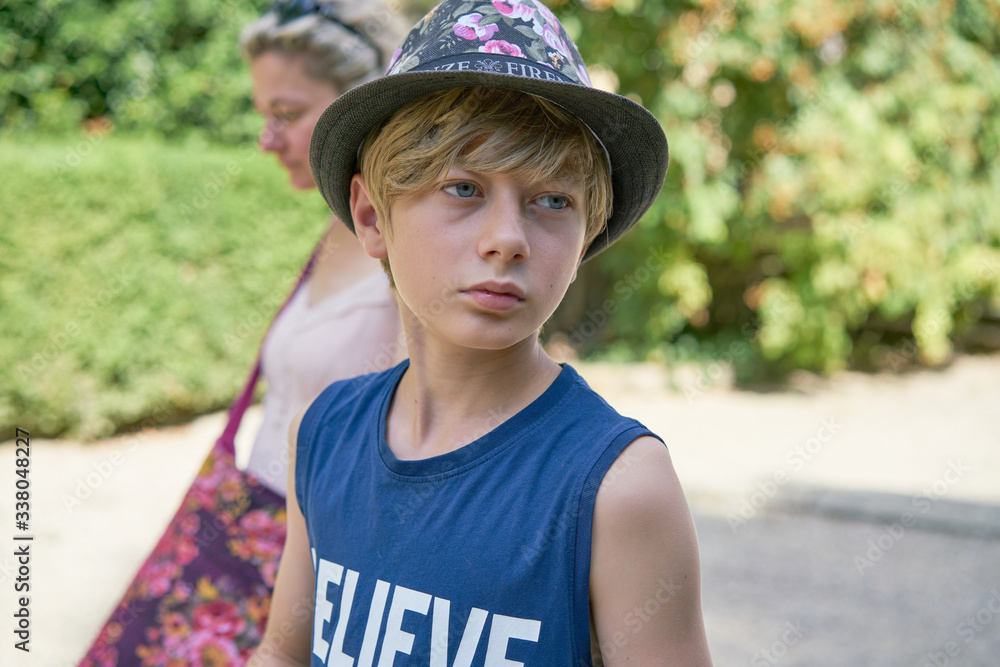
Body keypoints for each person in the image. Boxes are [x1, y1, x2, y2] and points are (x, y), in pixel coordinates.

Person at [251, 0, 713, 664]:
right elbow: (283, 651)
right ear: (371, 216)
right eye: (463, 188)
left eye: (553, 200)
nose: (507, 240)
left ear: (586, 235)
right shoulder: (323, 433)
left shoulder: (617, 488)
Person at [239, 0, 408, 495]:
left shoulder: (407, 241)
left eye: (286, 114)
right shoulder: (336, 229)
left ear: (355, 103)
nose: (266, 141)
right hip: (265, 536)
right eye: (263, 115)